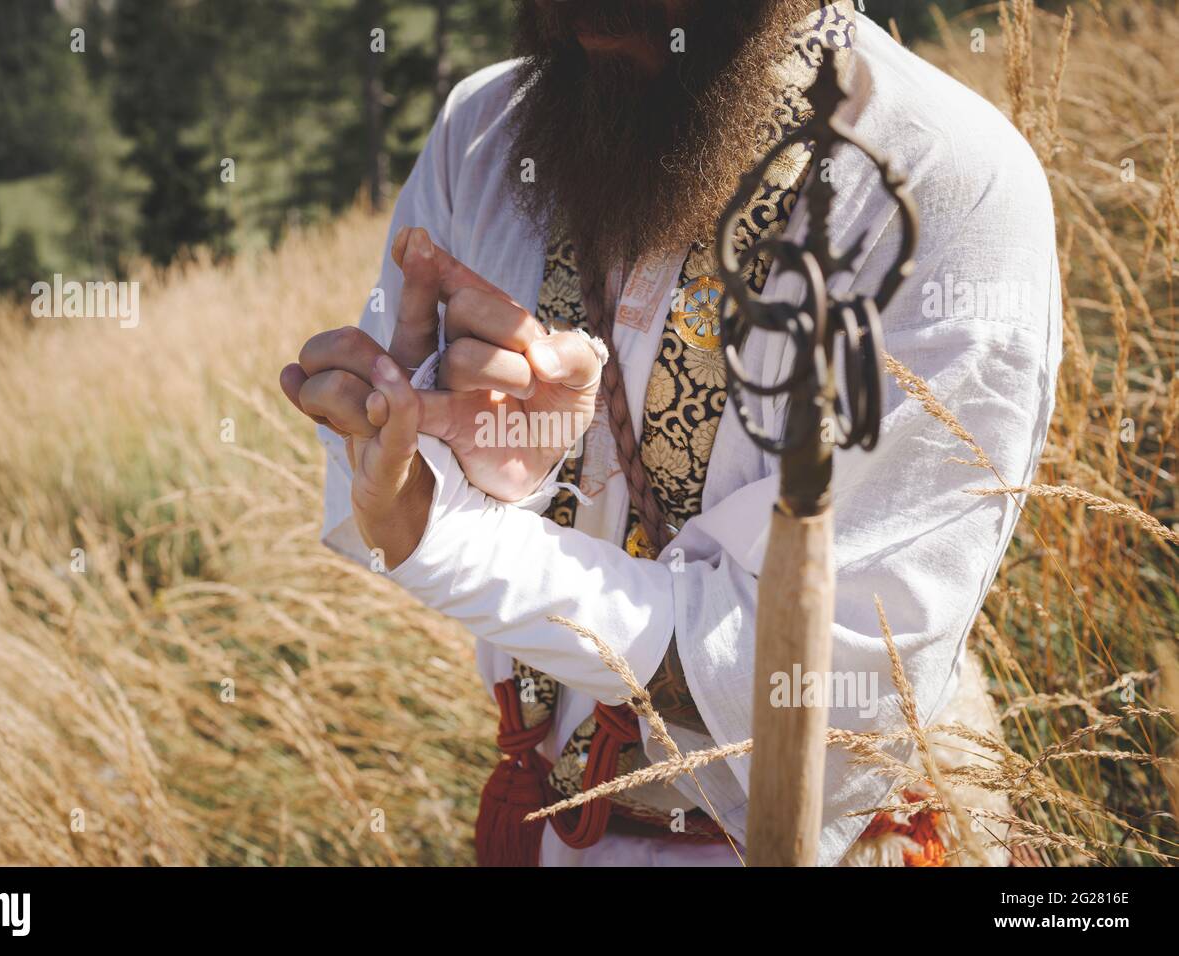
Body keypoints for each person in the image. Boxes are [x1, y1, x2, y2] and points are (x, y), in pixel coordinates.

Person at [280, 0, 1059, 866]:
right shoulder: (484, 134)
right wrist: (444, 465)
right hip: (547, 828)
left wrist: (453, 536)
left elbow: (809, 689)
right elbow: (368, 483)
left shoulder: (947, 182)